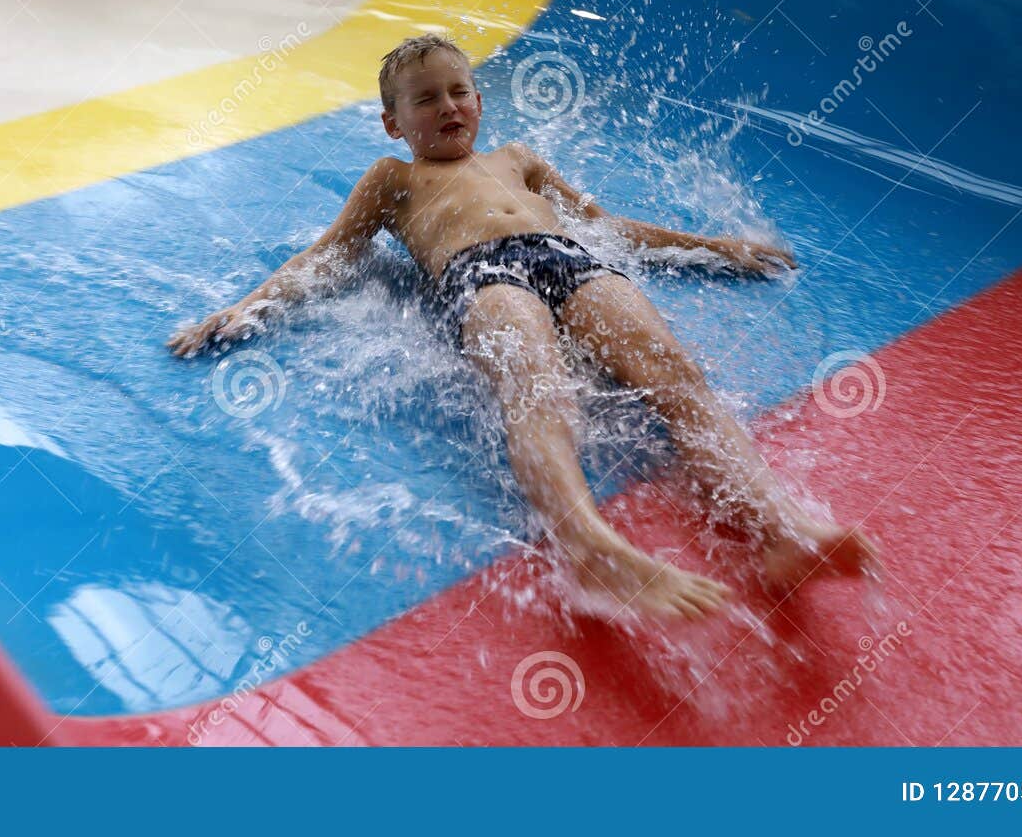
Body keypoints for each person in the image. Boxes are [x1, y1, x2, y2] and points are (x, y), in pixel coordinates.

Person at [169, 34, 877, 618]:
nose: (448, 106)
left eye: (459, 91)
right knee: (536, 381)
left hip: (569, 258)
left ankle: (777, 529)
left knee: (672, 367)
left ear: (479, 100)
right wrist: (247, 307)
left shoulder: (520, 159)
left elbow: (607, 229)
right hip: (480, 274)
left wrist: (718, 248)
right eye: (425, 98)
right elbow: (327, 256)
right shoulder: (393, 178)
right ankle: (589, 546)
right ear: (394, 122)